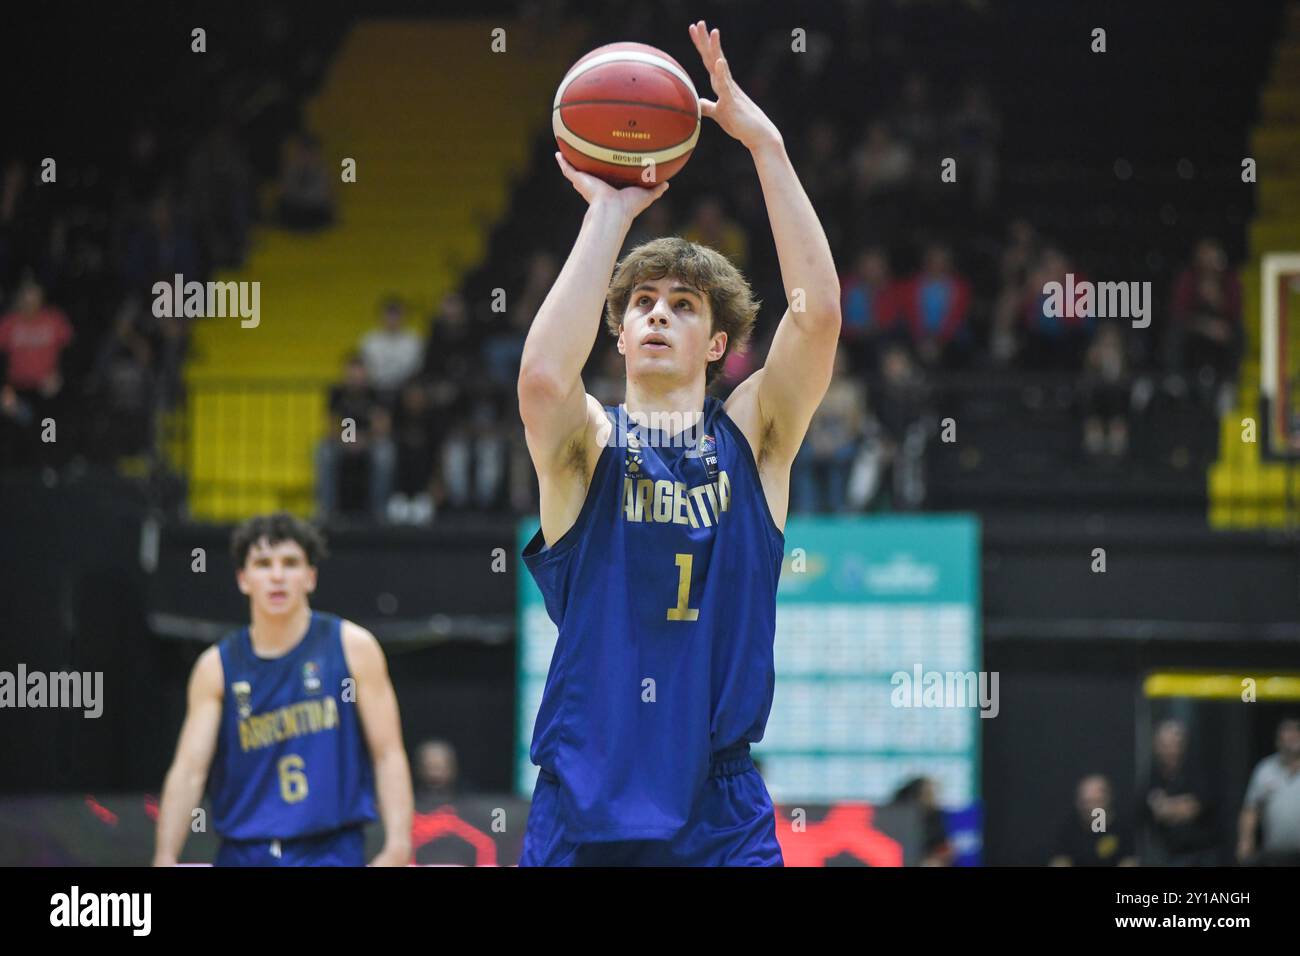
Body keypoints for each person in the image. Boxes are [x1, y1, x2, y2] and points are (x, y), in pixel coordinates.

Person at [515, 21, 840, 866]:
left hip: (716, 805)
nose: (659, 312)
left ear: (719, 346)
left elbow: (821, 319)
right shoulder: (587, 448)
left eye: (684, 305)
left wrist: (764, 144)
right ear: (617, 336)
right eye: (644, 303)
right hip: (584, 798)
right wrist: (612, 212)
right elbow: (546, 381)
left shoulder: (754, 439)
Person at [153, 513, 413, 866]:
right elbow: (189, 771)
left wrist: (399, 845)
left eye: (290, 563)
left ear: (310, 577)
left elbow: (388, 754)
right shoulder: (216, 667)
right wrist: (165, 855)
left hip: (330, 850)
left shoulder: (353, 647)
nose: (277, 576)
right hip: (245, 852)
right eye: (263, 564)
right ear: (243, 579)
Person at [1140, 718, 1218, 865]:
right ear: (1156, 747)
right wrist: (1181, 805)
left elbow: (1195, 808)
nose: (1169, 749)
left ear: (1182, 745)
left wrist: (1168, 807)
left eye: (1174, 743)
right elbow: (1154, 812)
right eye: (1164, 745)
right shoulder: (1153, 777)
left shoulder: (1196, 771)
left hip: (1202, 853)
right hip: (1170, 854)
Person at [1237, 717, 1300, 866]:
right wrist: (1245, 841)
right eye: (1287, 730)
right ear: (1278, 739)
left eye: (1297, 730)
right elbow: (1251, 809)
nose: (1293, 735)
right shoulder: (1265, 769)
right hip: (1274, 856)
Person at [1049, 774, 1138, 867]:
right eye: (1087, 802)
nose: (1091, 808)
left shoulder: (1123, 828)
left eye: (1097, 801)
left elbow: (1129, 862)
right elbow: (1059, 861)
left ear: (1109, 799)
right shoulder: (1069, 829)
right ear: (1078, 803)